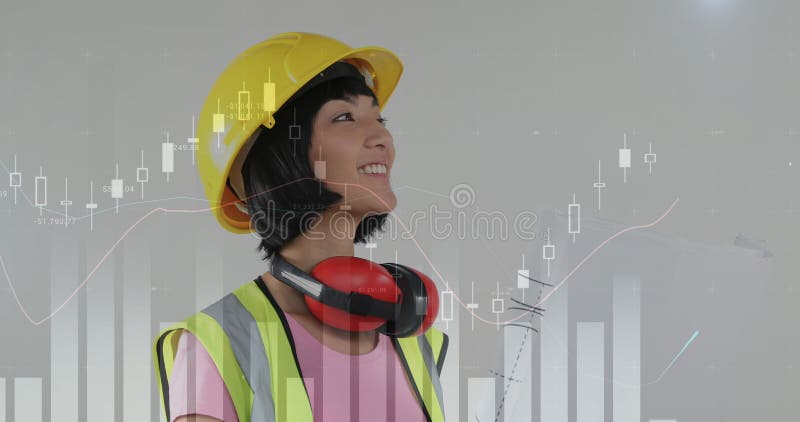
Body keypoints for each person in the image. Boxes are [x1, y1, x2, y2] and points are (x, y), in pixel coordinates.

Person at [152, 32, 449, 422]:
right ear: (280, 154)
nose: (383, 138)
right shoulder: (221, 344)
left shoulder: (412, 339)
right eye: (345, 117)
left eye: (379, 118)